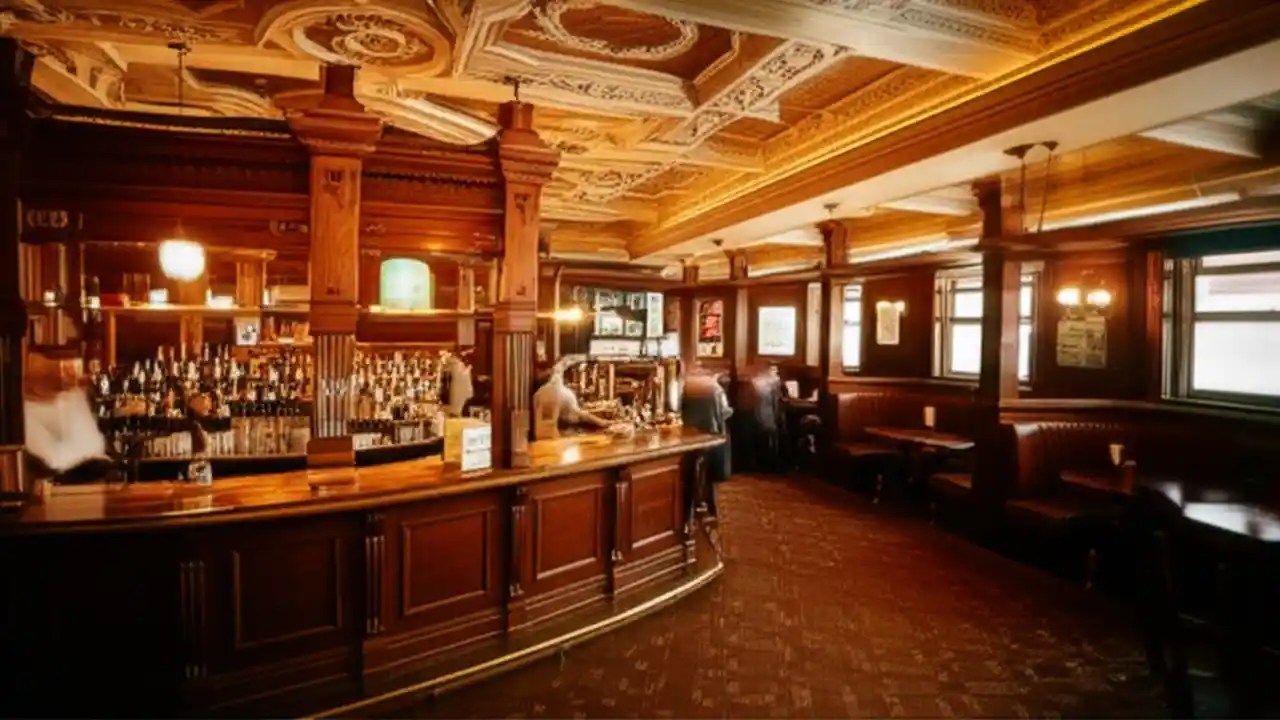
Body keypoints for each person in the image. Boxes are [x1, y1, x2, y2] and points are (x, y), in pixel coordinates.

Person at [681, 366, 733, 517]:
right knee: (709, 474)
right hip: (712, 435)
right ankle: (710, 505)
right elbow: (724, 412)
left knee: (690, 471)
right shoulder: (715, 389)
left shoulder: (686, 386)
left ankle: (691, 506)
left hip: (687, 438)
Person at [531, 356, 610, 440]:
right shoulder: (549, 391)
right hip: (555, 439)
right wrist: (601, 422)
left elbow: (577, 413)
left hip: (558, 438)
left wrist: (601, 422)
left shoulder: (550, 391)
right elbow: (546, 429)